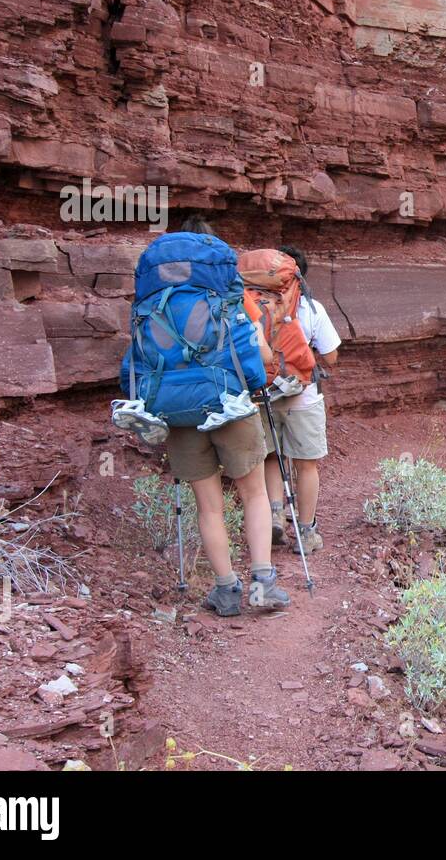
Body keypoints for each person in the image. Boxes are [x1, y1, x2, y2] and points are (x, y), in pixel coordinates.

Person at [147, 216, 290, 616]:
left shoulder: (155, 299)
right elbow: (260, 355)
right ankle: (262, 585)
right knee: (255, 494)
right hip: (230, 405)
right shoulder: (229, 296)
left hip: (179, 413)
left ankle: (226, 591)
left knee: (208, 506)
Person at [261, 245, 341, 555]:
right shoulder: (312, 308)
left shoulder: (253, 305)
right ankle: (306, 533)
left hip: (262, 394)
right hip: (301, 394)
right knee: (306, 465)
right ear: (300, 277)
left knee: (271, 456)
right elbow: (331, 357)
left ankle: (274, 514)